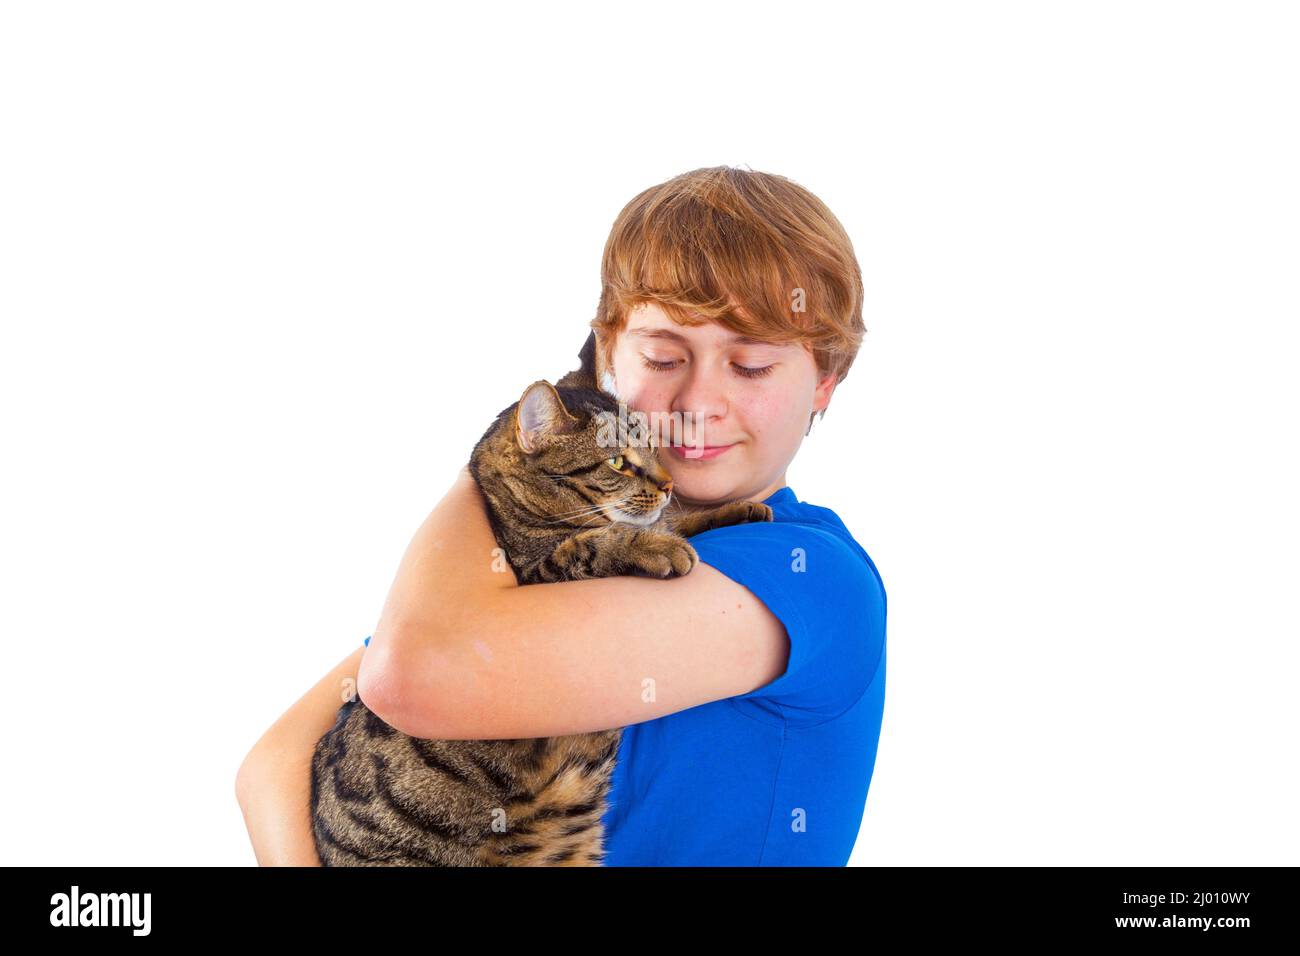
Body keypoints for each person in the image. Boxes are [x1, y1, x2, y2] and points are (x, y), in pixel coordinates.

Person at [236, 165, 887, 866]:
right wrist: (530, 463)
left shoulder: (809, 576)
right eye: (664, 357)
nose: (700, 400)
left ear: (826, 379)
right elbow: (272, 764)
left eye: (751, 365)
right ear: (608, 354)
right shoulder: (543, 554)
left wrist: (507, 465)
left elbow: (407, 675)